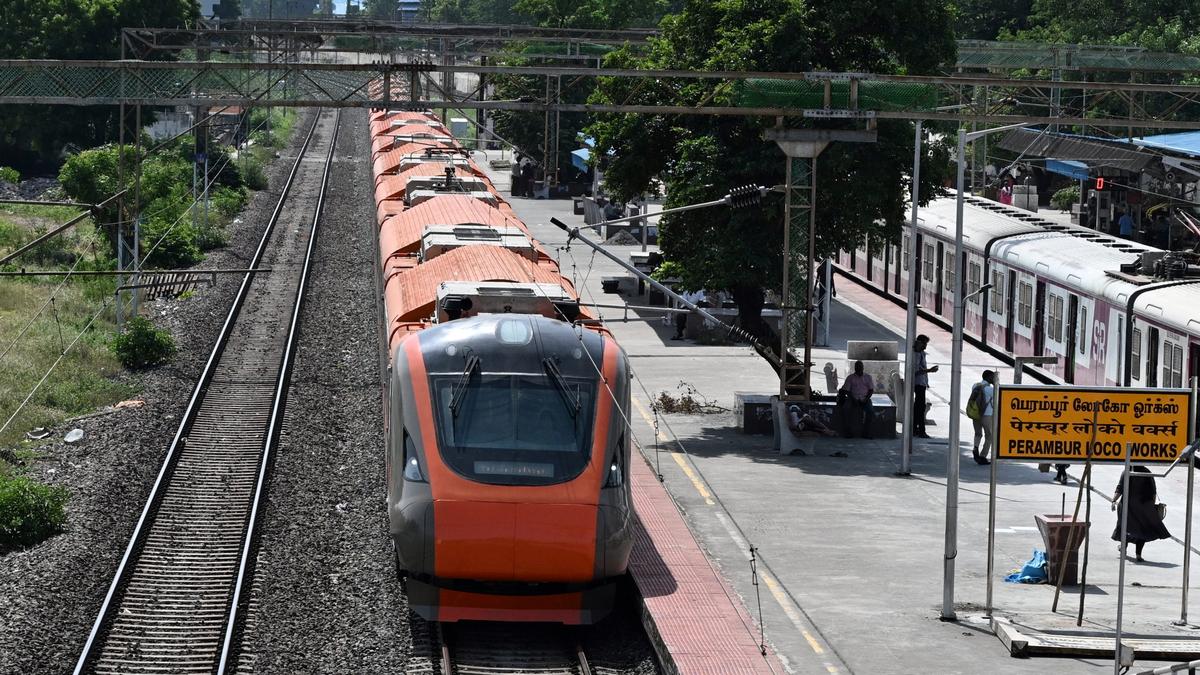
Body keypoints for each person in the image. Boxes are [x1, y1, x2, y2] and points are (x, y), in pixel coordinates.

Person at [1111, 465, 1170, 562]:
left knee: (1124, 528)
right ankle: (1138, 555)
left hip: (1127, 506)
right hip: (1143, 507)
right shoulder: (1147, 472)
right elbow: (1153, 492)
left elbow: (1120, 488)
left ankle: (1123, 548)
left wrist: (1114, 501)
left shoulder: (1127, 471)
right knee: (1142, 530)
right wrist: (1150, 507)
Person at [840, 360, 875, 438]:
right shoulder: (850, 378)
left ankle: (866, 433)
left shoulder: (868, 377)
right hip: (853, 398)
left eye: (860, 367)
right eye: (857, 367)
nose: (859, 369)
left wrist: (866, 399)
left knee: (871, 412)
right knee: (846, 409)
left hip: (865, 398)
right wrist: (853, 399)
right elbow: (847, 391)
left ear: (863, 368)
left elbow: (871, 390)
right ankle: (848, 431)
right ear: (855, 368)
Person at [912, 334, 937, 439]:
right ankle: (921, 430)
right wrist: (930, 370)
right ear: (920, 343)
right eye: (925, 343)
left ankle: (915, 429)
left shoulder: (922, 354)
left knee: (919, 408)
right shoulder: (917, 355)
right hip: (918, 384)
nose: (926, 346)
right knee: (920, 408)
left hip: (922, 384)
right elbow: (916, 371)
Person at [969, 370, 995, 464]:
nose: (994, 379)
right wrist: (996, 385)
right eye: (993, 377)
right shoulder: (990, 389)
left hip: (975, 413)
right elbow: (998, 398)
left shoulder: (975, 385)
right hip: (987, 415)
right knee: (989, 435)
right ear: (988, 377)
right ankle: (983, 456)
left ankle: (975, 448)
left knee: (978, 433)